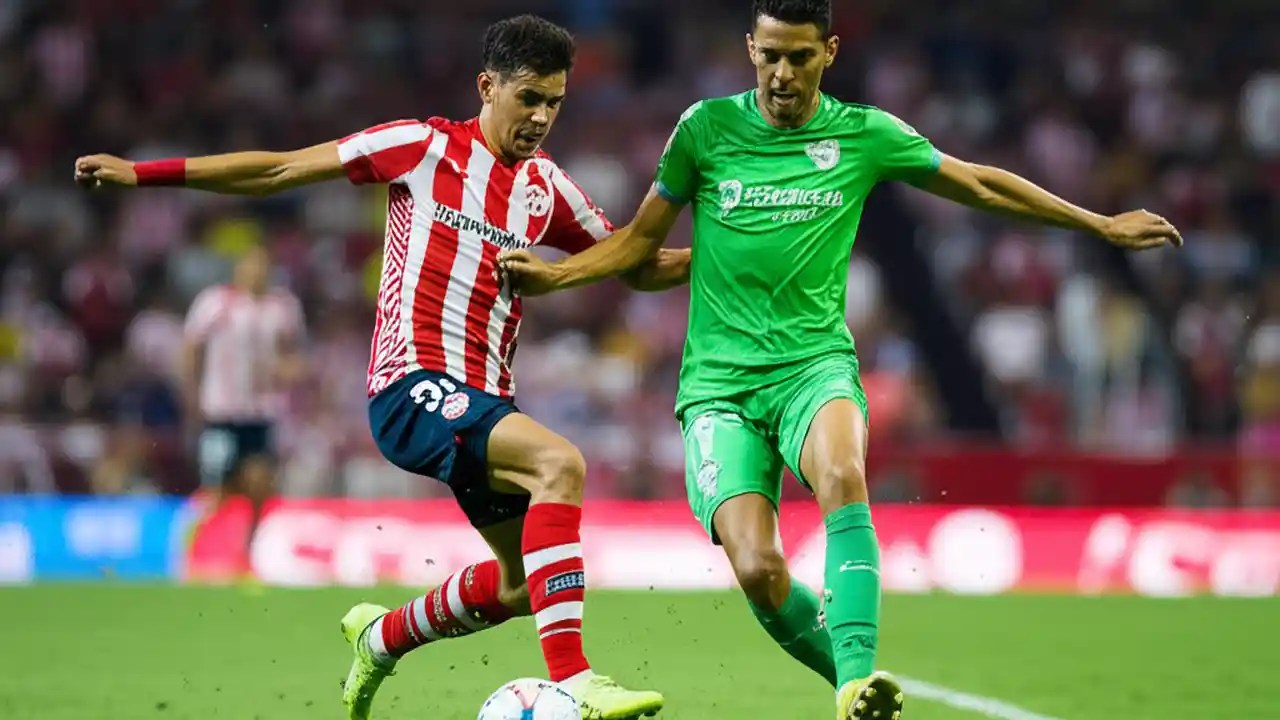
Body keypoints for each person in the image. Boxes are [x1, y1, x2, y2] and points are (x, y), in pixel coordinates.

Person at [497, 1, 1184, 718]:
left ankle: (856, 680)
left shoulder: (863, 134)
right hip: (718, 390)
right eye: (769, 56)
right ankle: (854, 686)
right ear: (750, 50)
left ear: (828, 52)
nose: (782, 73)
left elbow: (978, 182)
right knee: (759, 569)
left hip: (813, 367)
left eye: (799, 56)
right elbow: (640, 244)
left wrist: (1097, 222)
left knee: (843, 473)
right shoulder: (705, 129)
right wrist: (559, 275)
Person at [75, 14, 685, 720]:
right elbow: (280, 168)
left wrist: (729, 257)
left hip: (483, 403)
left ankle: (381, 636)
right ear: (487, 86)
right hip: (411, 386)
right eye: (528, 99)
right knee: (562, 465)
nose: (542, 117)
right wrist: (142, 174)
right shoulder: (421, 146)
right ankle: (576, 680)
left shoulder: (548, 189)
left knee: (521, 588)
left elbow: (630, 265)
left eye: (554, 102)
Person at [182, 246, 305, 574]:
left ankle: (245, 555)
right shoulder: (216, 303)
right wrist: (191, 396)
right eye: (251, 265)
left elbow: (292, 356)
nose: (257, 272)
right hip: (222, 413)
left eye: (263, 265)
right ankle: (187, 551)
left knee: (260, 485)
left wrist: (287, 371)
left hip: (261, 414)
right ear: (238, 269)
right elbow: (191, 348)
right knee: (217, 491)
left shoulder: (283, 308)